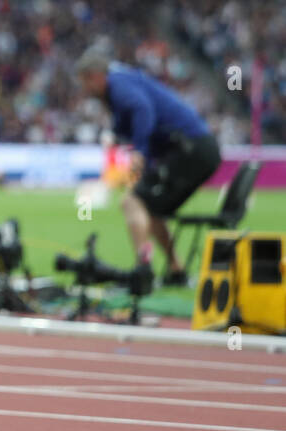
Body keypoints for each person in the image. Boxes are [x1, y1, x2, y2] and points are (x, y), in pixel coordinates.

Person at [75, 52, 222, 283]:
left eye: (85, 82)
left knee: (132, 202)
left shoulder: (118, 87)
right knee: (149, 207)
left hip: (191, 150)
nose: (84, 89)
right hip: (196, 150)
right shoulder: (123, 84)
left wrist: (139, 153)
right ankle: (176, 269)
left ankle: (143, 271)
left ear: (95, 76)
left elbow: (143, 110)